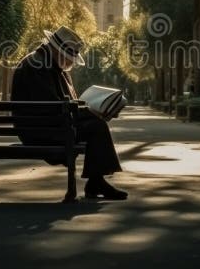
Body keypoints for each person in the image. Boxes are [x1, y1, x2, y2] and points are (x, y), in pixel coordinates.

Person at [10, 26, 127, 200]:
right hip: (41, 130)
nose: (72, 63)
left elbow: (60, 105)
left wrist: (93, 111)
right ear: (59, 52)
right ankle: (96, 182)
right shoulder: (39, 66)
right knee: (97, 127)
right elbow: (52, 108)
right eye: (70, 58)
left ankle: (96, 181)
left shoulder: (48, 64)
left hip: (49, 125)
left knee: (96, 124)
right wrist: (90, 113)